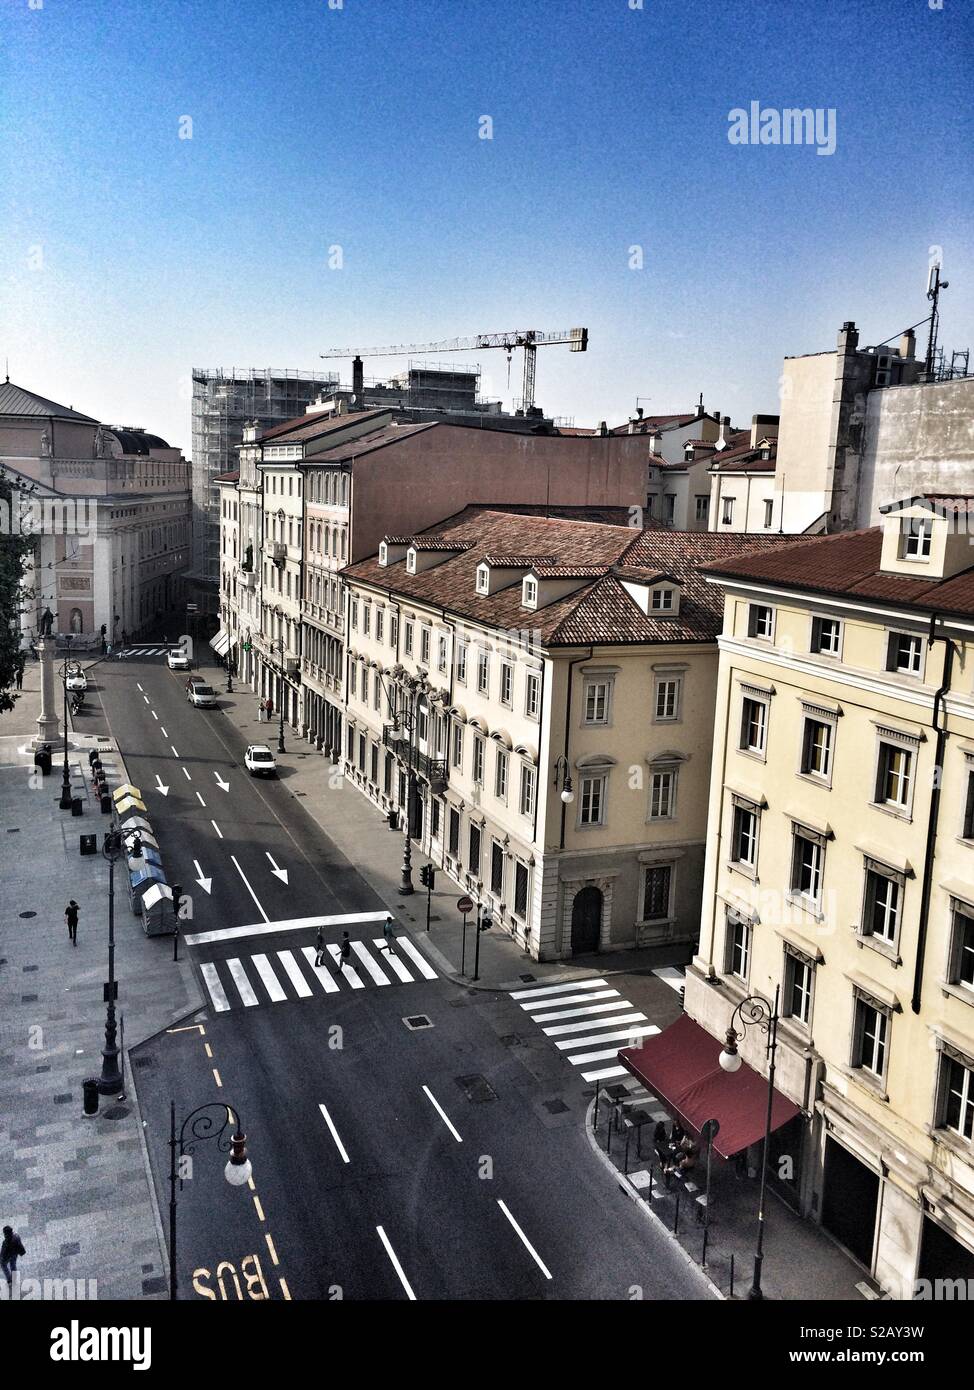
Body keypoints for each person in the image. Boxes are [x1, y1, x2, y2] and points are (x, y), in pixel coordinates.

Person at [1, 1226, 25, 1291]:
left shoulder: (6, 1242)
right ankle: (13, 1280)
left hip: (10, 1253)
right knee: (13, 1265)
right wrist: (21, 1251)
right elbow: (20, 1246)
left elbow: (2, 1254)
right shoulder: (16, 1236)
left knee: (4, 1265)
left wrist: (2, 1259)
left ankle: (10, 1280)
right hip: (14, 1253)